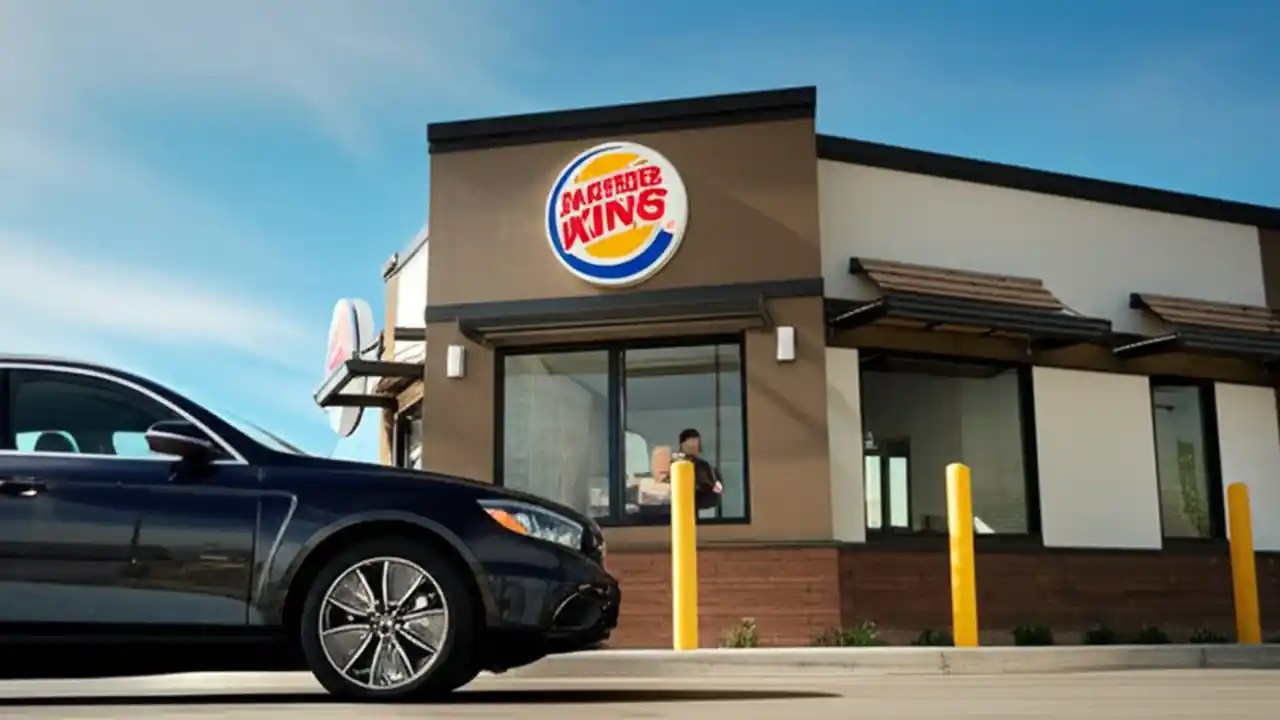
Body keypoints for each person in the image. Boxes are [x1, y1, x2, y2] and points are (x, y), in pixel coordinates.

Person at [677, 428, 723, 510]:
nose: (694, 448)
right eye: (690, 446)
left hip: (700, 508)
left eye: (695, 446)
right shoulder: (674, 466)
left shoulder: (705, 467)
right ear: (682, 446)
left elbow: (715, 490)